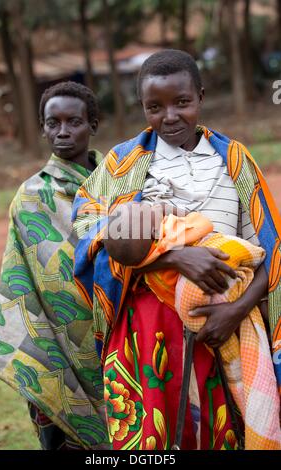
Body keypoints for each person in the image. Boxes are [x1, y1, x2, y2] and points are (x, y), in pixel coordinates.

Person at [72, 50, 281, 450]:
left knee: (221, 433)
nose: (169, 116)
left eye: (181, 102)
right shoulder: (121, 164)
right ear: (143, 108)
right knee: (149, 439)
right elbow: (88, 230)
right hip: (146, 328)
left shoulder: (234, 161)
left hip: (226, 325)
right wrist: (174, 256)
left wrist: (235, 311)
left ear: (200, 97)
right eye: (155, 107)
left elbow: (269, 253)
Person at [0, 81, 110, 450]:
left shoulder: (119, 184)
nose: (63, 132)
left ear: (94, 124)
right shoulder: (30, 197)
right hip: (60, 340)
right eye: (53, 123)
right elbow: (22, 279)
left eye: (74, 121)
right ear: (42, 128)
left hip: (119, 335)